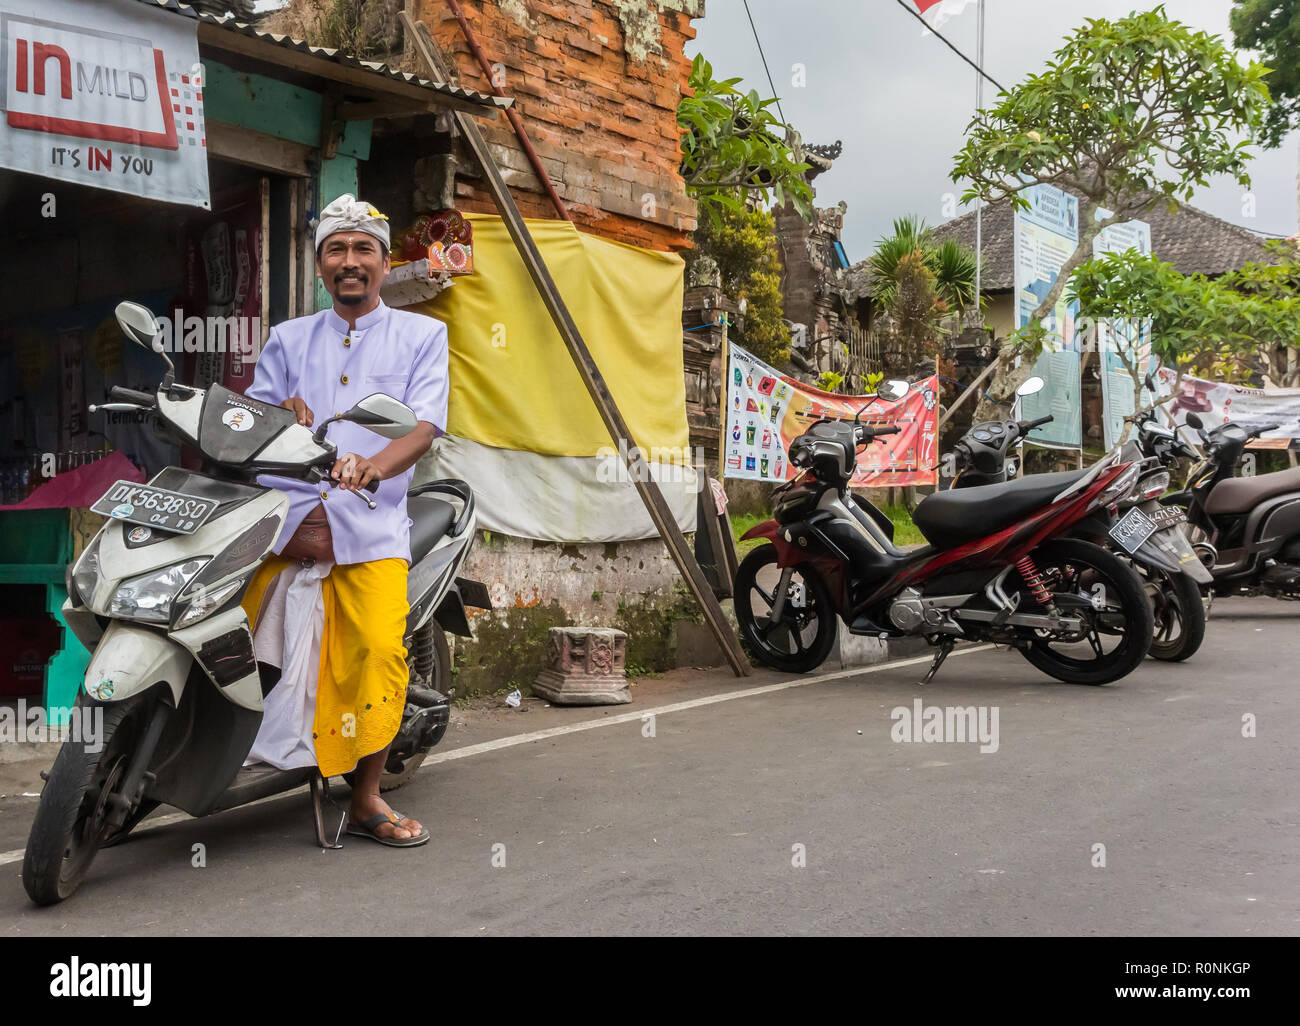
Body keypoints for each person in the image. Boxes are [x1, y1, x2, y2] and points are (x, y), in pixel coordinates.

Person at [241, 194, 448, 847]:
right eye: (337, 249)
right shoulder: (288, 338)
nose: (350, 261)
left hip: (368, 532)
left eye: (363, 250)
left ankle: (364, 798)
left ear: (384, 263)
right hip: (284, 526)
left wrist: (376, 467)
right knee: (219, 639)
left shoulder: (422, 335)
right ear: (321, 264)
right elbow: (249, 420)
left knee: (378, 657)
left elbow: (423, 426)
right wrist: (279, 411)